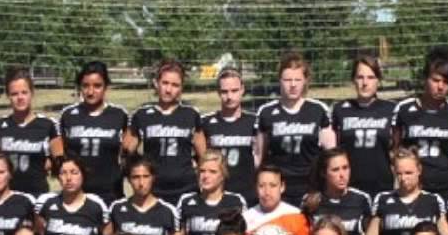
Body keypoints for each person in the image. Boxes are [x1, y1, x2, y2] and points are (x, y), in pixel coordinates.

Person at [391, 46, 448, 201]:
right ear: (425, 78)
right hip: (413, 188)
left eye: (446, 82)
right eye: (435, 80)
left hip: (445, 188)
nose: (440, 86)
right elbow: (395, 150)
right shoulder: (404, 110)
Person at [256, 51, 335, 206]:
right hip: (278, 189)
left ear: (305, 80)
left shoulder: (318, 110)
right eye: (287, 80)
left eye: (297, 79)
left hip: (311, 187)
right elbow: (259, 158)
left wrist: (323, 188)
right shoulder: (266, 112)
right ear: (280, 80)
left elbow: (331, 155)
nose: (292, 85)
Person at [123, 58, 205, 205]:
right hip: (154, 191)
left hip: (186, 188)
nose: (168, 89)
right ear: (156, 83)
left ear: (181, 88)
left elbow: (203, 154)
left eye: (175, 85)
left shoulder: (191, 114)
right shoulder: (142, 115)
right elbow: (127, 151)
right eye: (165, 83)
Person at [58, 61, 131, 205]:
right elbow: (60, 156)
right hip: (77, 194)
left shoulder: (119, 115)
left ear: (106, 87)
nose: (91, 92)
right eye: (85, 86)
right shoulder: (67, 115)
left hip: (110, 193)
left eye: (97, 86)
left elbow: (126, 154)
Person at [0, 67, 61, 197]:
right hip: (7, 196)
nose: (20, 98)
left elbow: (60, 162)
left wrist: (49, 162)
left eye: (24, 92)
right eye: (14, 94)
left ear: (32, 93)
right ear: (8, 96)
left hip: (37, 195)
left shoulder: (47, 125)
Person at [332, 55, 398, 198]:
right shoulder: (340, 110)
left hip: (382, 185)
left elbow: (397, 149)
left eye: (370, 77)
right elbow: (333, 150)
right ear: (353, 80)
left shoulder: (391, 109)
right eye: (360, 77)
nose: (365, 83)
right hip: (349, 186)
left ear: (378, 80)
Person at [301, 148, 371, 235]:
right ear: (324, 173)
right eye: (335, 170)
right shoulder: (310, 201)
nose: (342, 175)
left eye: (345, 168)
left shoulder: (362, 199)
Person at [200, 68, 259, 205]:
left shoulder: (255, 122)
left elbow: (260, 158)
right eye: (224, 91)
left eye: (234, 90)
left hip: (248, 193)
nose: (229, 96)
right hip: (217, 194)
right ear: (218, 92)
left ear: (242, 90)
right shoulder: (206, 122)